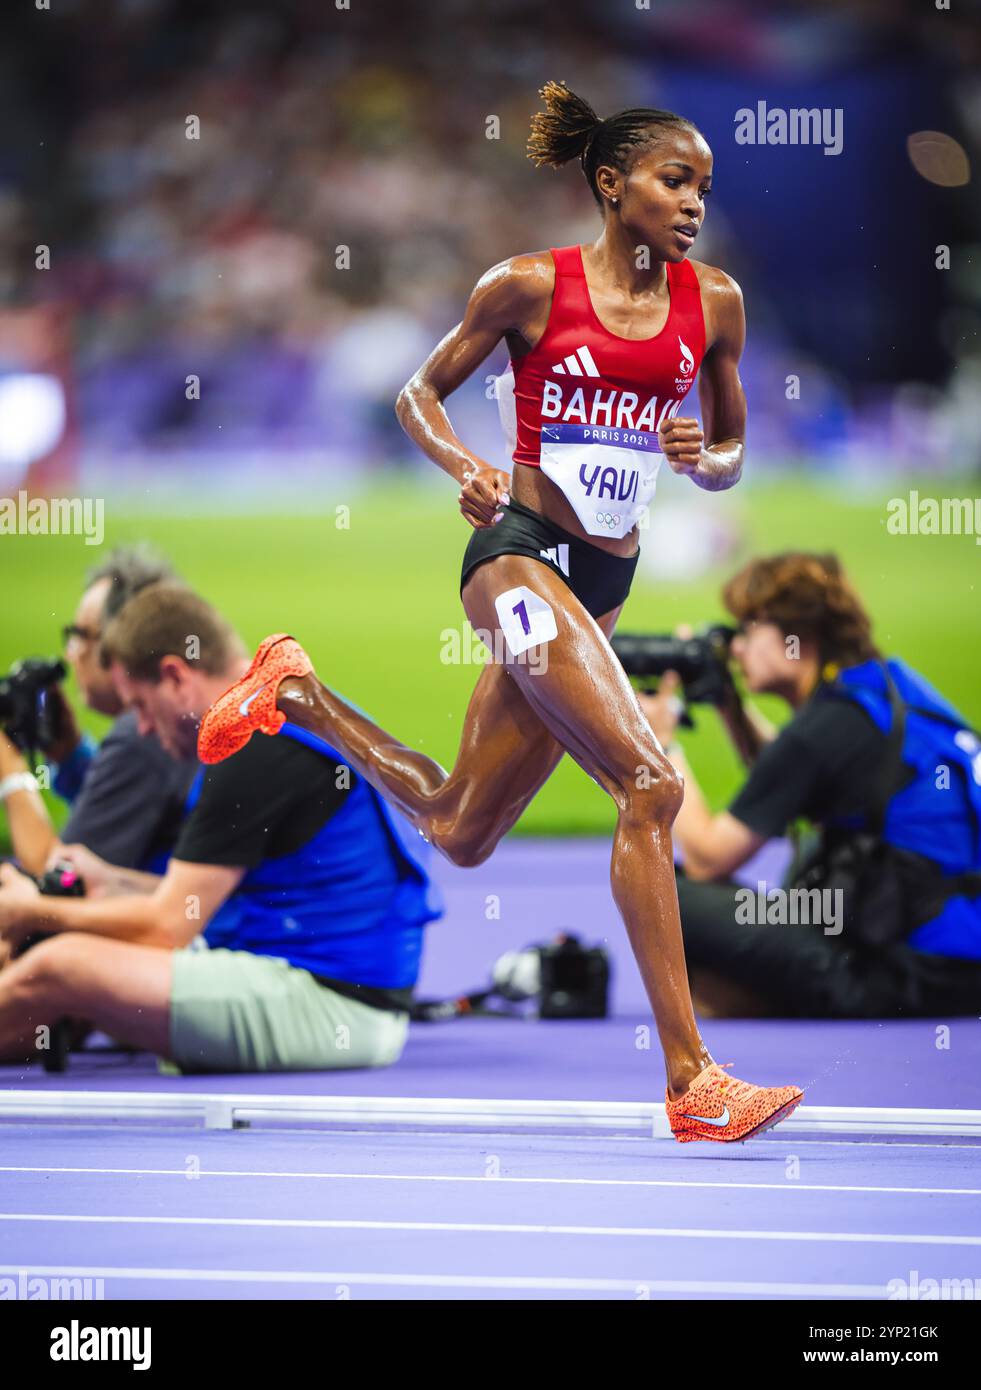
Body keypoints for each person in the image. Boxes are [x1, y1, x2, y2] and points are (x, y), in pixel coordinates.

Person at [193, 81, 803, 1143]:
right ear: (611, 186)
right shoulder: (526, 287)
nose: (695, 201)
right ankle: (691, 1078)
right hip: (517, 561)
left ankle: (292, 686)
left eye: (704, 184)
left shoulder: (717, 306)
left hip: (598, 590)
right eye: (673, 179)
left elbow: (729, 454)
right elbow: (414, 395)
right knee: (650, 785)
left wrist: (703, 457)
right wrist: (466, 465)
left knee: (460, 827)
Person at [0, 585, 442, 1072]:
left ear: (175, 676)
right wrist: (109, 881)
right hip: (349, 996)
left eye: (141, 707)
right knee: (76, 932)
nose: (142, 728)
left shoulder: (253, 743)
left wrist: (32, 912)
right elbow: (209, 900)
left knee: (59, 965)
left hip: (332, 1009)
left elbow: (167, 926)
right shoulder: (271, 713)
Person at [637, 551, 981, 1018]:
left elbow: (707, 857)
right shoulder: (886, 689)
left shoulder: (826, 728)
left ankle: (767, 996)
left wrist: (659, 743)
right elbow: (793, 773)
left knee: (664, 891)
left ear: (796, 636)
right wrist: (728, 704)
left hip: (911, 972)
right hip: (963, 956)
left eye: (748, 629)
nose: (737, 649)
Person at [0, 546, 196, 878]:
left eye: (79, 637)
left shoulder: (142, 735)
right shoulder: (178, 713)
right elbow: (118, 814)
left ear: (119, 643)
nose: (69, 654)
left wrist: (11, 770)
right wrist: (71, 754)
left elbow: (62, 881)